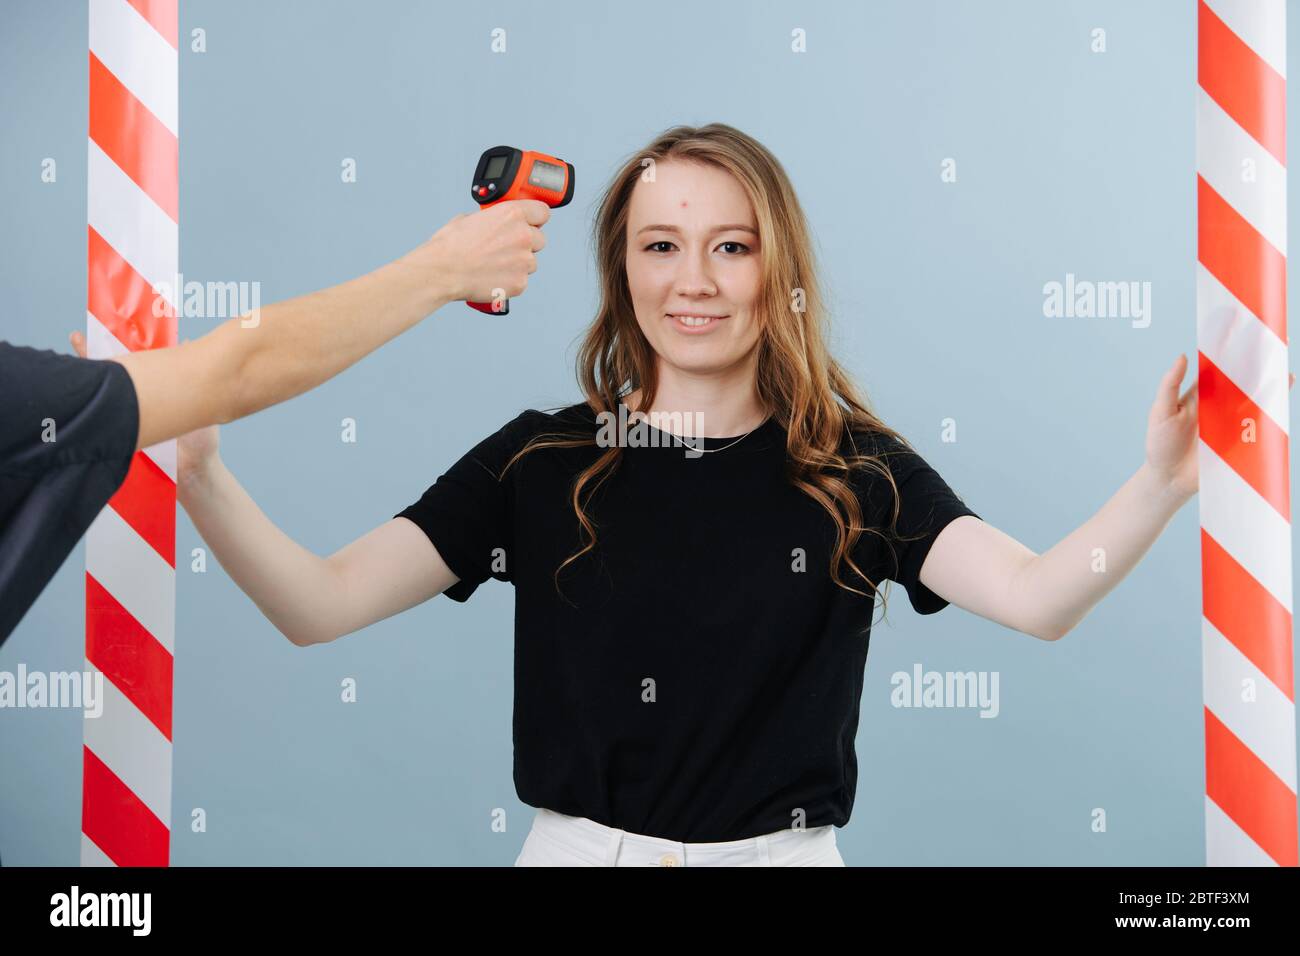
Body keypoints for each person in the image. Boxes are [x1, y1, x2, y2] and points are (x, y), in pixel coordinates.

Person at [122, 124, 1206, 867]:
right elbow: (318, 604)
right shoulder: (538, 460)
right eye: (661, 246)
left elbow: (1037, 596)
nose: (693, 280)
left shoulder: (855, 468)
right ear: (621, 269)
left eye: (729, 247)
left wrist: (1158, 481)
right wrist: (203, 471)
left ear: (776, 271)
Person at [0, 199, 551, 645]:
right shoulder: (538, 459)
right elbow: (236, 373)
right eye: (642, 245)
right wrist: (444, 270)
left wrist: (195, 469)